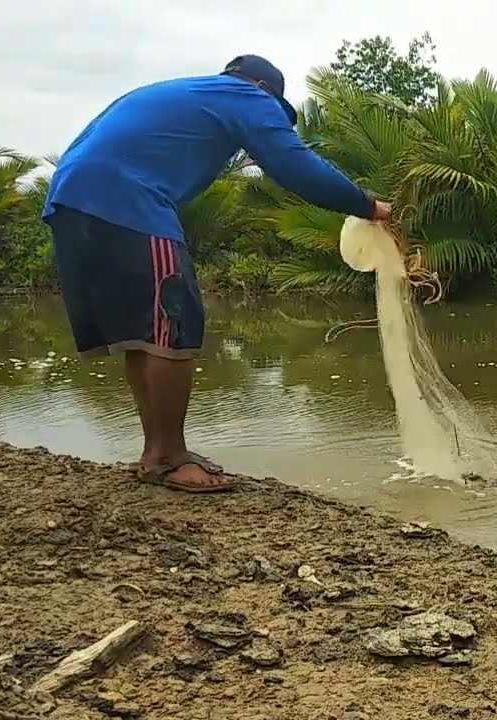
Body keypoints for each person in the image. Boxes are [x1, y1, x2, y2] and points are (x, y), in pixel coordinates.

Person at [42, 55, 391, 493]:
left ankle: (159, 452)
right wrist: (368, 206)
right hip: (127, 200)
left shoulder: (186, 93)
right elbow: (295, 166)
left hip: (71, 201)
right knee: (176, 320)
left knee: (145, 331)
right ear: (263, 88)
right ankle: (168, 457)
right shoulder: (246, 96)